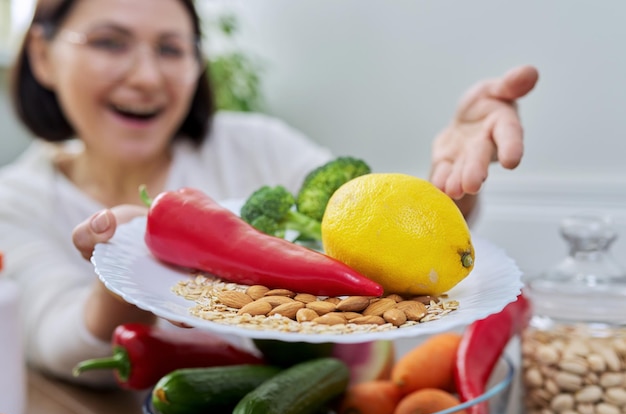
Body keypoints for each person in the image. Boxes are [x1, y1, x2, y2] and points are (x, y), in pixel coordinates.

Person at [0, 0, 539, 387]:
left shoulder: (254, 143)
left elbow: (372, 219)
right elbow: (53, 344)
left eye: (171, 49)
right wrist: (125, 273)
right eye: (109, 41)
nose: (146, 76)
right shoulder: (17, 199)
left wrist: (453, 184)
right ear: (43, 56)